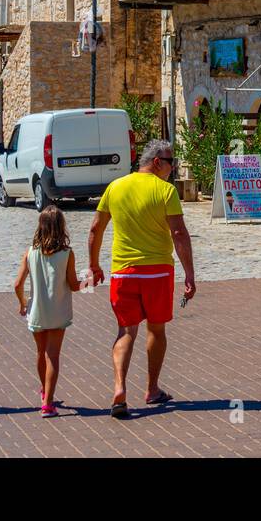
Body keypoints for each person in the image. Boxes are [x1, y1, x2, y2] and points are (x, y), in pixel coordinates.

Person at [88, 140, 195, 419]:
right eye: (171, 162)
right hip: (157, 272)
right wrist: (190, 274)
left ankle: (119, 388)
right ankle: (152, 388)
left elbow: (95, 228)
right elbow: (179, 234)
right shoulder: (165, 191)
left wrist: (93, 265)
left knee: (126, 331)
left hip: (123, 272)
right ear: (157, 162)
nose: (174, 169)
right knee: (156, 330)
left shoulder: (116, 187)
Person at [14, 205, 81, 418]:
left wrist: (23, 303)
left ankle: (44, 391)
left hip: (37, 310)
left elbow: (17, 284)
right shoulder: (67, 254)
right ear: (61, 227)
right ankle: (48, 403)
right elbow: (74, 284)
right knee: (53, 355)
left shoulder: (30, 253)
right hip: (58, 311)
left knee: (40, 353)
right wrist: (89, 280)